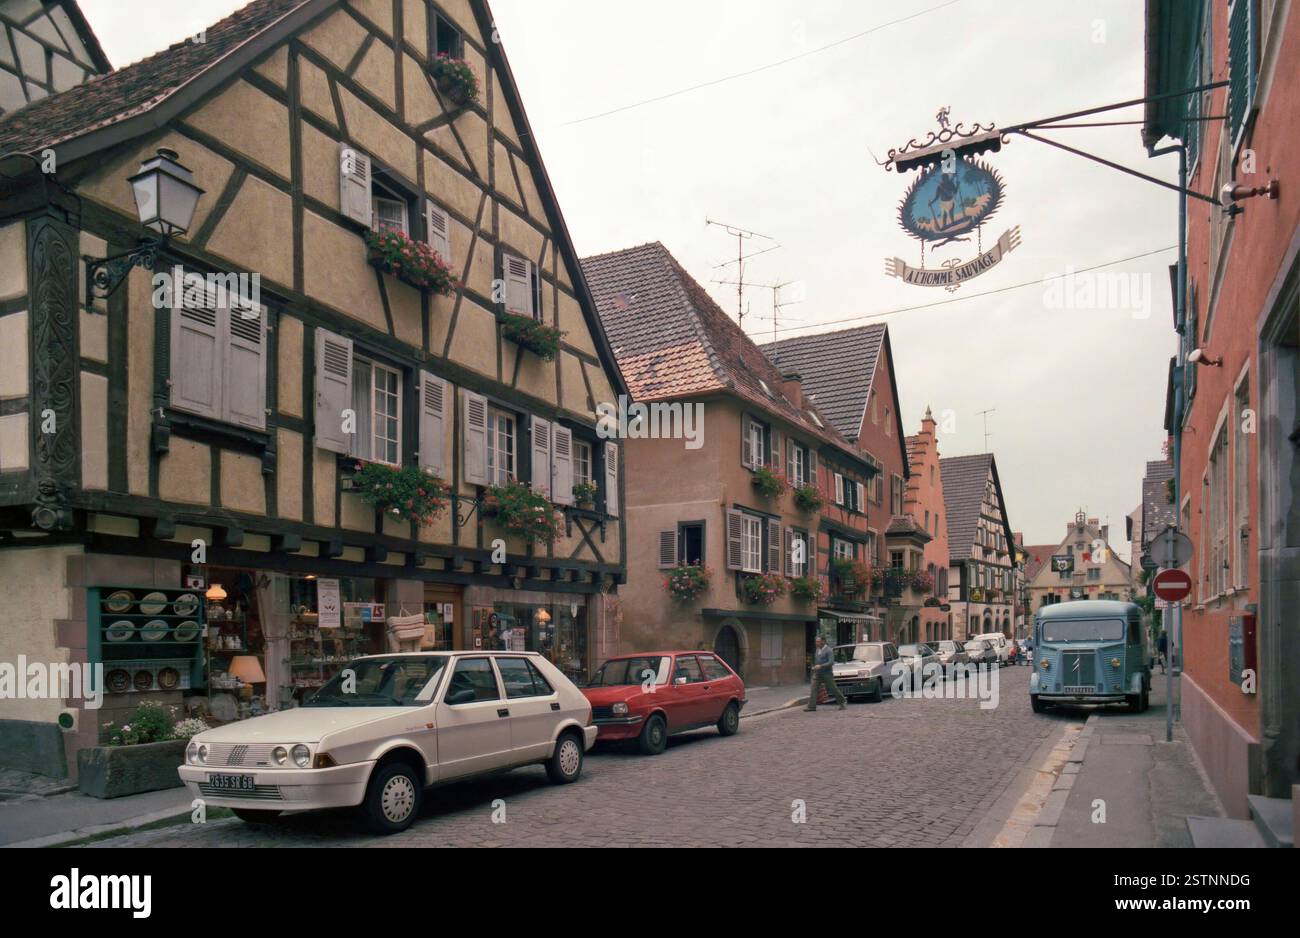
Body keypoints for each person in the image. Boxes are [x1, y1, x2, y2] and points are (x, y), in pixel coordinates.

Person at [805, 636, 846, 712]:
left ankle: (842, 702)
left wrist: (821, 666)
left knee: (833, 689)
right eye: (816, 641)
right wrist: (814, 666)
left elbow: (831, 662)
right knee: (813, 689)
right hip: (817, 674)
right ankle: (811, 706)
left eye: (818, 641)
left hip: (827, 673)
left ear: (823, 641)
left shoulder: (829, 650)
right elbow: (817, 661)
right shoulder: (817, 650)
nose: (816, 643)